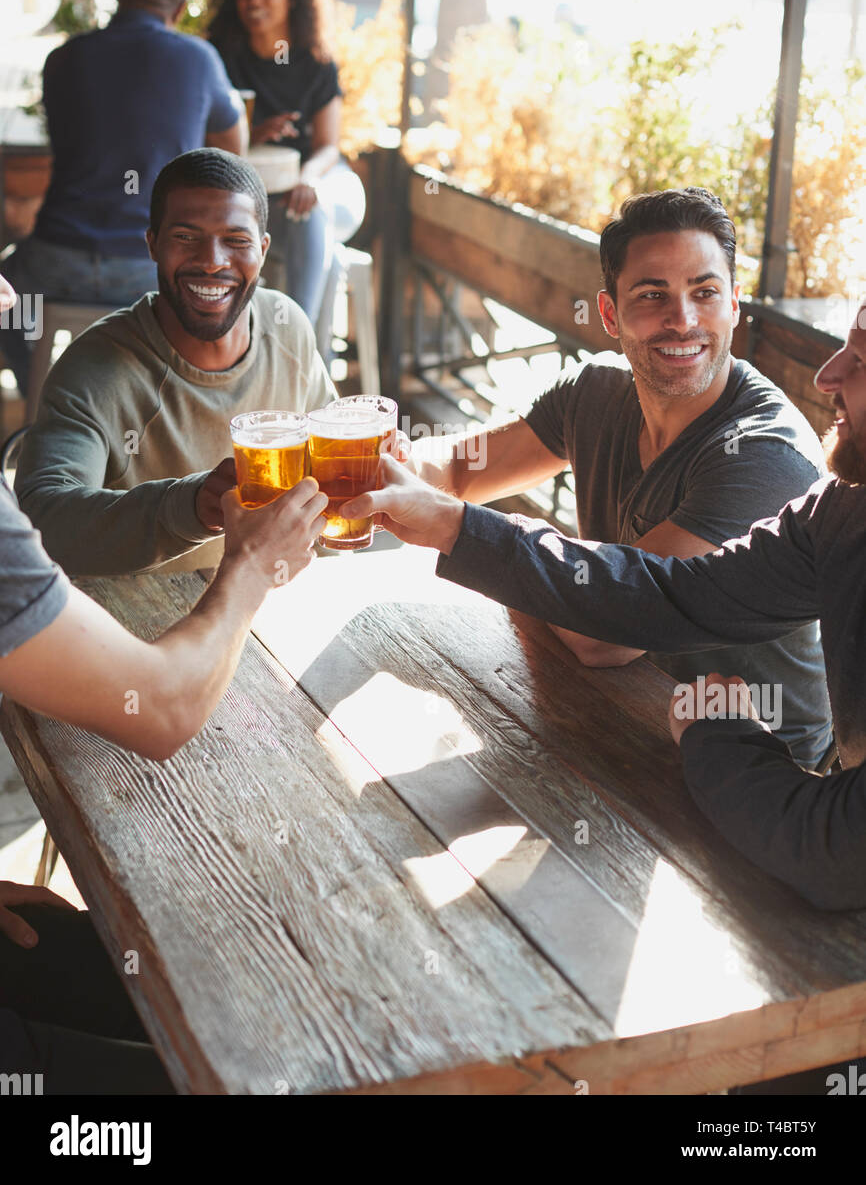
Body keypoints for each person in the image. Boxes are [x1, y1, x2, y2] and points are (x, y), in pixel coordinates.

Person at [340, 294, 866, 914]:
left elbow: (832, 851)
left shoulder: (769, 456)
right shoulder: (844, 509)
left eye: (860, 362)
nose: (826, 375)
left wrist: (719, 735)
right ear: (609, 314)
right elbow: (668, 595)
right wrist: (457, 526)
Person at [0, 266, 328, 1092]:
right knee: (249, 1059)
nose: (9, 296)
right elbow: (162, 708)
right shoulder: (101, 367)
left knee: (175, 989)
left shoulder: (287, 331)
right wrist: (252, 568)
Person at [404, 188, 830, 767]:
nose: (682, 320)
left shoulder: (764, 456)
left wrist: (492, 534)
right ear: (610, 314)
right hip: (618, 714)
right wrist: (394, 466)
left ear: (734, 304)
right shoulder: (596, 392)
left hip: (756, 771)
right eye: (653, 295)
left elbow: (604, 636)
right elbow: (460, 466)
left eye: (704, 292)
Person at [14, 148, 336, 577]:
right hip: (138, 631)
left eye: (236, 241)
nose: (212, 261)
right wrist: (191, 506)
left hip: (270, 613)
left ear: (262, 250)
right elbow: (42, 520)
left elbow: (327, 459)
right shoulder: (95, 368)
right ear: (153, 244)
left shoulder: (287, 325)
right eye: (186, 237)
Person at [0, 0, 247, 398]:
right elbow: (233, 156)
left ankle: (43, 401)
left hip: (56, 259)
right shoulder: (198, 59)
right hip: (146, 265)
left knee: (7, 300)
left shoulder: (64, 58)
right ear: (178, 6)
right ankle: (140, 410)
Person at [205, 0, 366, 336]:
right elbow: (208, 142)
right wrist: (254, 133)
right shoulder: (220, 58)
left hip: (324, 183)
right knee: (318, 246)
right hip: (255, 196)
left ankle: (297, 340)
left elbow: (329, 146)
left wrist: (308, 178)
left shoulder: (316, 62)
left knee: (311, 211)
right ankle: (309, 359)